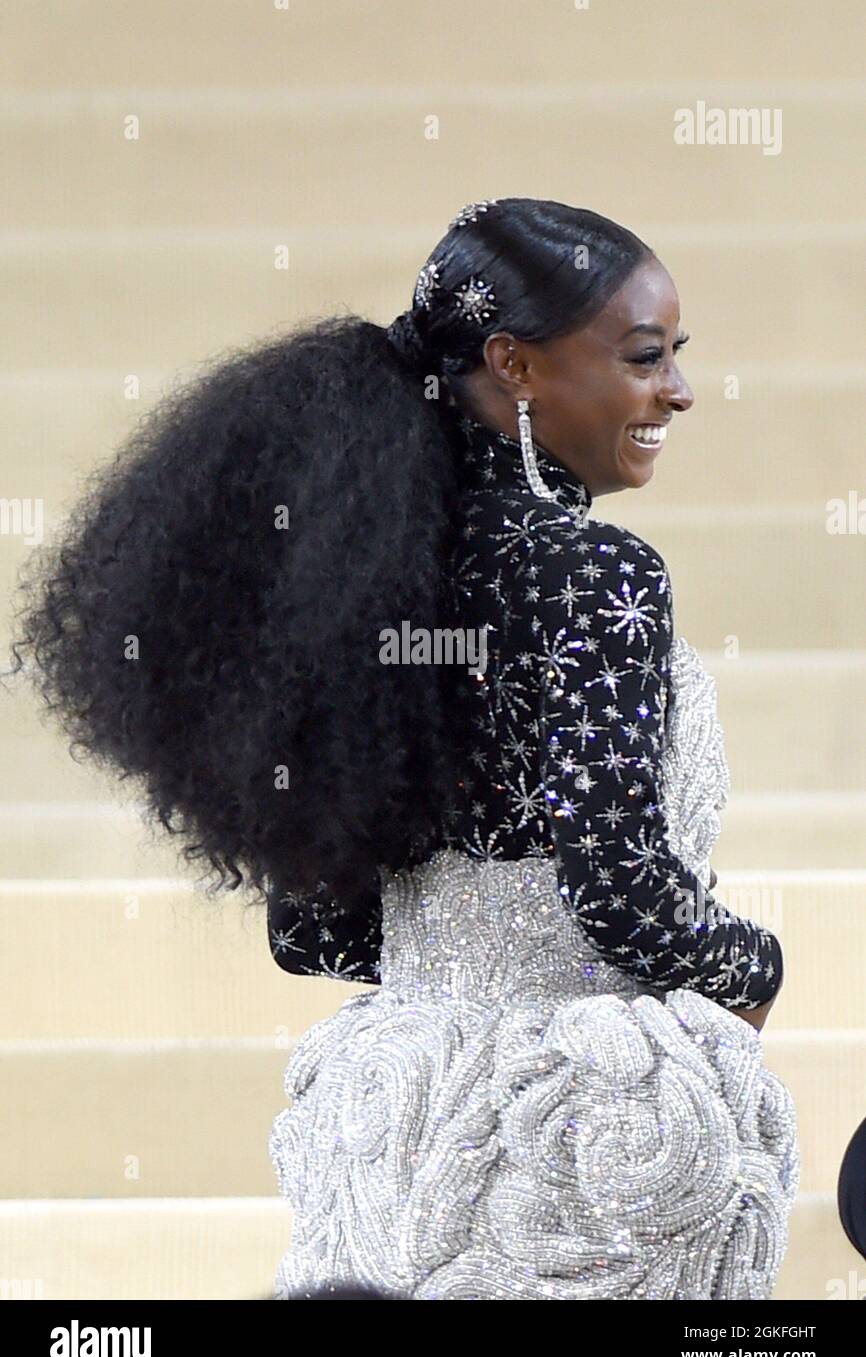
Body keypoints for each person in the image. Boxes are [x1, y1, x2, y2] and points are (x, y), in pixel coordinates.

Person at [8, 198, 798, 1301]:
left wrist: (458, 967)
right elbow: (620, 890)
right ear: (513, 363)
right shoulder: (588, 574)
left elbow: (316, 928)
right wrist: (752, 968)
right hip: (581, 1134)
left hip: (379, 1122)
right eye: (642, 357)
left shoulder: (352, 571)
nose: (676, 390)